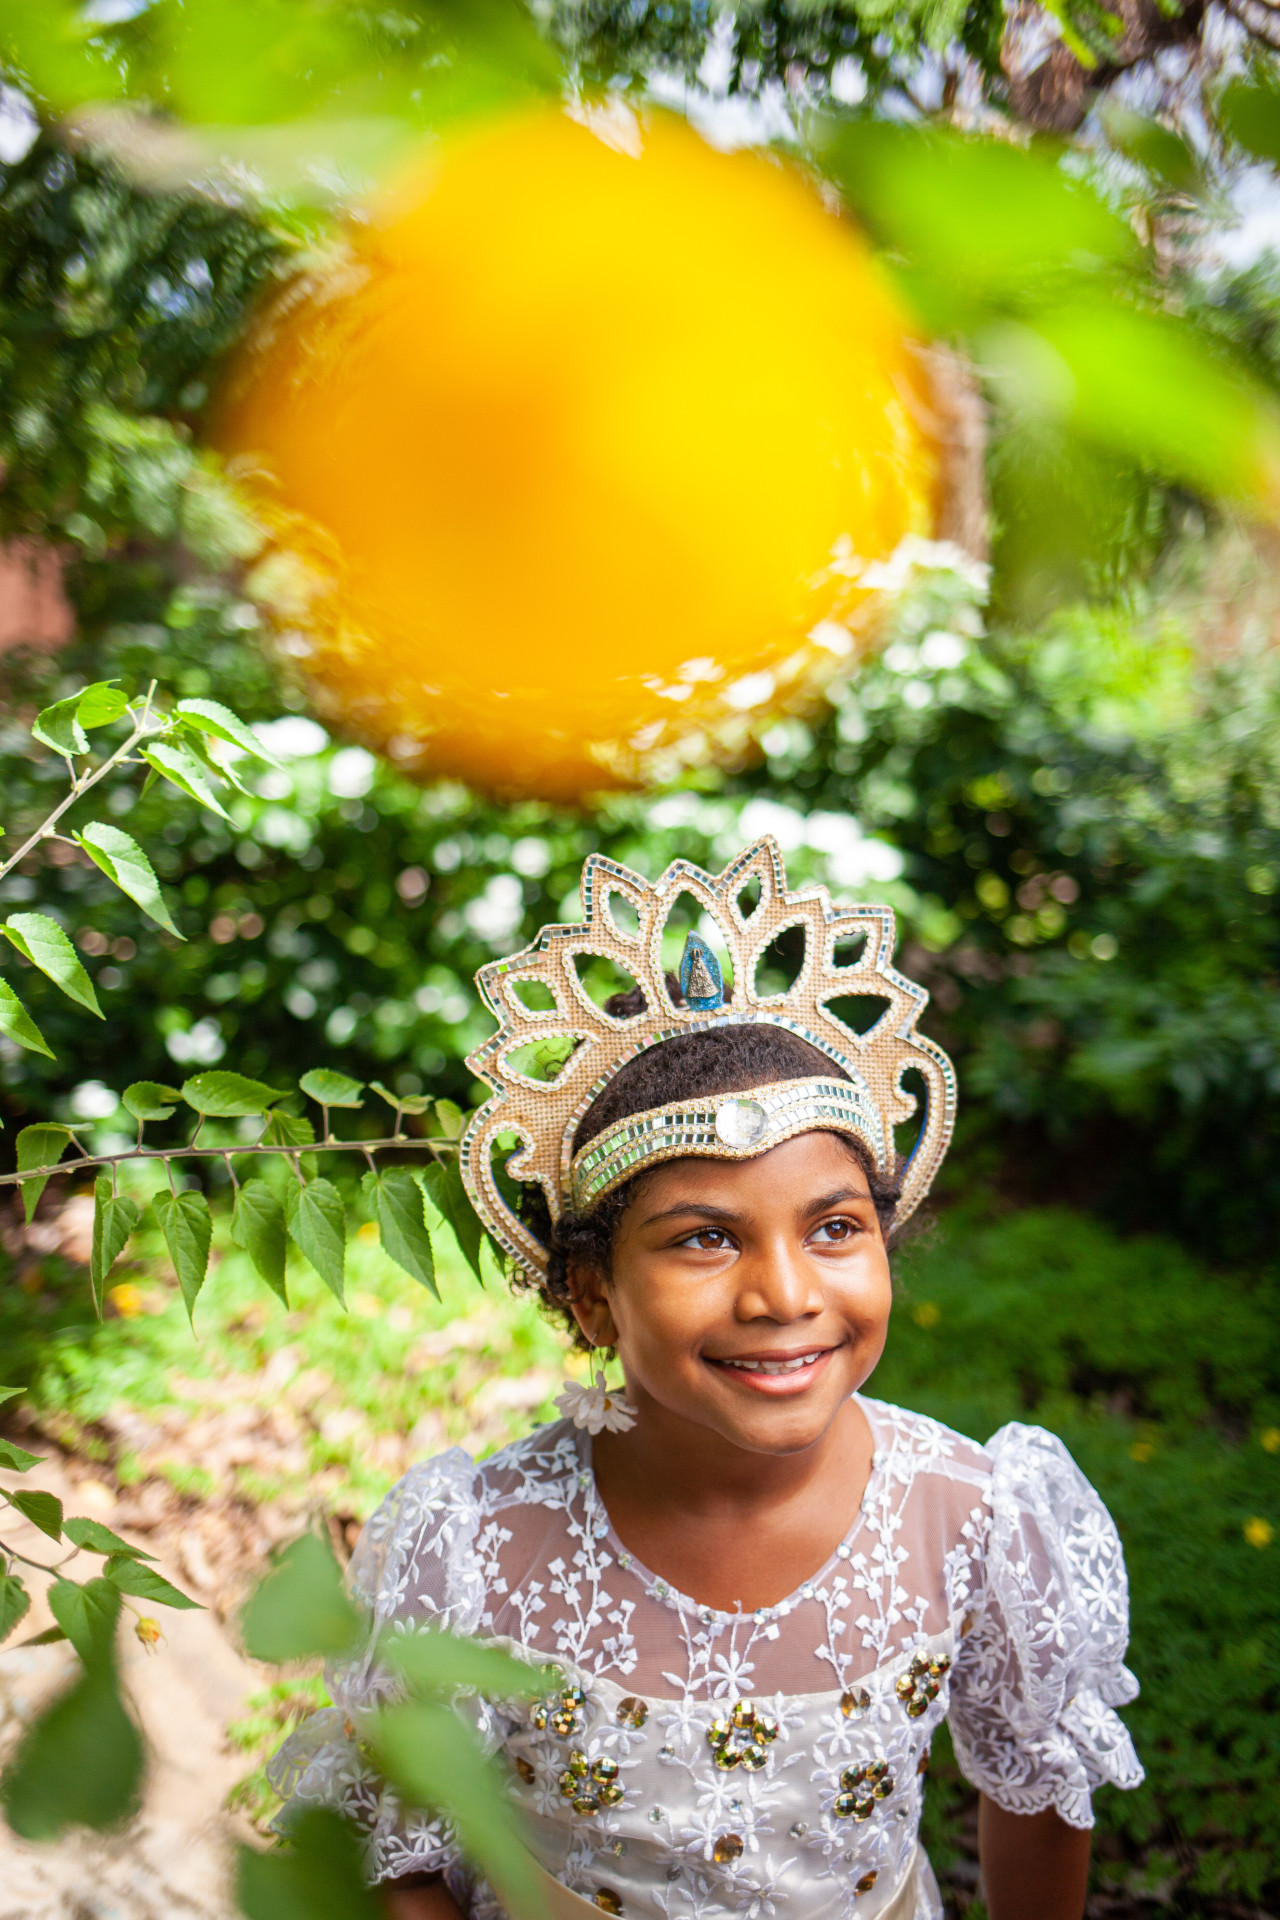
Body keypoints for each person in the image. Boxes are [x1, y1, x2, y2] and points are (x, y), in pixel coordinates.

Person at [270, 838, 1142, 1920]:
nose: (782, 1294)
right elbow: (397, 1859)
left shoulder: (974, 1516)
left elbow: (1038, 1787)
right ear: (589, 1296)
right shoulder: (478, 1552)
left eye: (831, 1227)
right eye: (702, 1240)